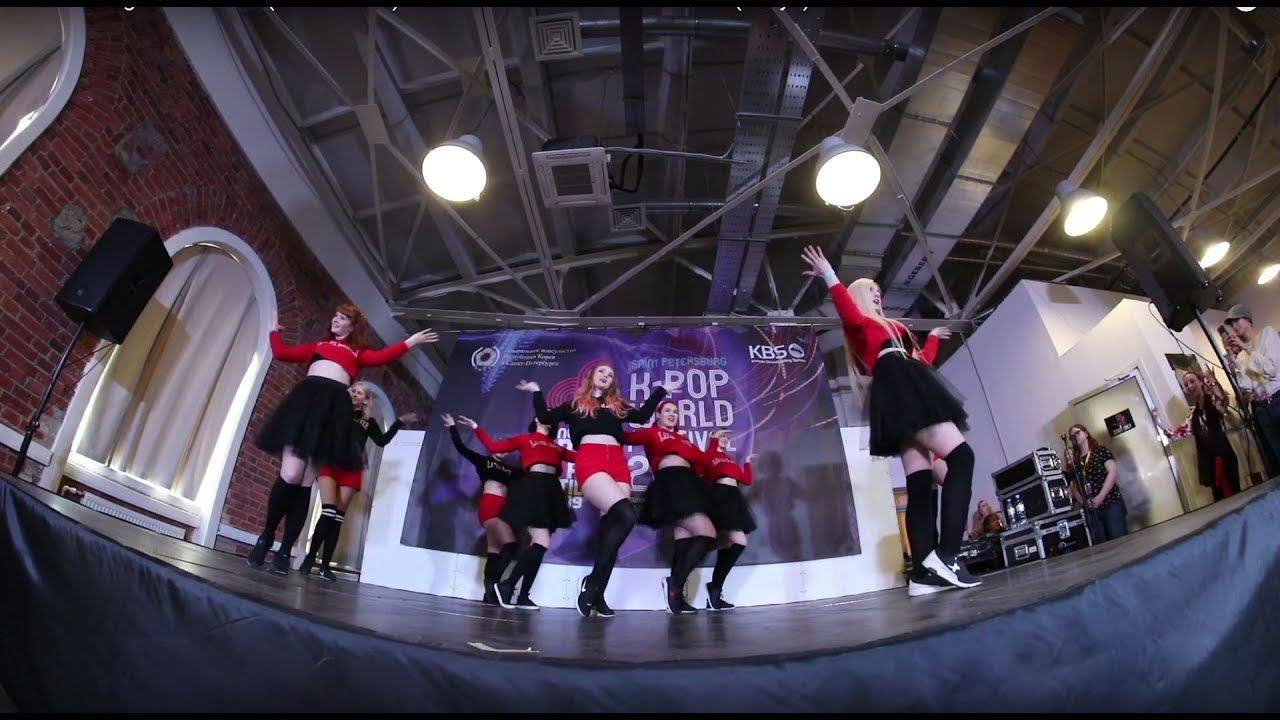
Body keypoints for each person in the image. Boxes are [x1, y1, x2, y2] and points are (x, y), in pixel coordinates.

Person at [799, 245, 978, 596]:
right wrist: (830, 275)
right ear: (859, 298)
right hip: (901, 390)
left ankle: (922, 574)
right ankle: (948, 555)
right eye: (871, 291)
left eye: (879, 291)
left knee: (920, 485)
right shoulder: (861, 325)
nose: (877, 295)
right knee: (962, 457)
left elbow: (920, 362)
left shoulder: (892, 328)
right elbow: (850, 316)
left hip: (903, 390)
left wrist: (931, 339)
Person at [248, 305, 437, 574]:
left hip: (332, 412)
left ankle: (285, 550)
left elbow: (383, 356)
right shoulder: (317, 346)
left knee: (305, 482)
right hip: (306, 405)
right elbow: (280, 353)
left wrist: (412, 341)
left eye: (343, 317)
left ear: (353, 326)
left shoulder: (358, 352)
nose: (336, 320)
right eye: (335, 316)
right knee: (290, 474)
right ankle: (266, 536)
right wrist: (273, 331)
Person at [521, 364, 680, 617]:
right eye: (601, 372)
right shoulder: (575, 404)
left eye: (610, 374)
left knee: (612, 531)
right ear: (592, 376)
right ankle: (592, 584)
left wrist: (660, 390)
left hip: (618, 462)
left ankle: (597, 593)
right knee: (626, 515)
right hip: (591, 458)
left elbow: (641, 417)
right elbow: (545, 416)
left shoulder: (617, 405)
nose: (605, 376)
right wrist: (537, 391)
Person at [300, 382, 416, 579]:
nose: (354, 394)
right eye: (353, 390)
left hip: (352, 469)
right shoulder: (336, 411)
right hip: (330, 463)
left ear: (365, 400)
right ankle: (309, 559)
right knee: (328, 511)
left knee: (337, 518)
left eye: (359, 393)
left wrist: (399, 422)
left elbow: (382, 441)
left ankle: (325, 566)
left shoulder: (368, 422)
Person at [462, 415, 577, 610]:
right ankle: (507, 586)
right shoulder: (525, 439)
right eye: (542, 413)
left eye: (550, 414)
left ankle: (522, 596)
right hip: (534, 487)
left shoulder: (557, 447)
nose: (546, 415)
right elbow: (493, 447)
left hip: (551, 491)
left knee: (540, 546)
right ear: (536, 420)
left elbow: (580, 457)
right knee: (541, 543)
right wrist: (476, 427)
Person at [624, 400, 716, 614]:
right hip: (670, 482)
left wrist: (714, 442)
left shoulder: (684, 439)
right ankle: (674, 583)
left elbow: (704, 460)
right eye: (667, 411)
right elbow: (625, 437)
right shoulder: (653, 433)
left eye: (675, 411)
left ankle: (677, 599)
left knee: (684, 540)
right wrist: (614, 414)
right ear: (658, 415)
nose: (672, 414)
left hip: (688, 484)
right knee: (707, 534)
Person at [443, 413, 522, 604]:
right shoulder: (483, 461)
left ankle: (489, 596)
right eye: (500, 447)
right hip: (490, 505)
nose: (502, 452)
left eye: (506, 450)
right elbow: (462, 448)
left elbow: (530, 473)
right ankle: (494, 585)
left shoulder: (511, 470)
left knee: (494, 552)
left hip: (504, 510)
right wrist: (453, 427)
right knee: (510, 545)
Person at [697, 429, 757, 611]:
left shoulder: (729, 459)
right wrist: (714, 439)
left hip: (733, 498)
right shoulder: (710, 455)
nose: (724, 439)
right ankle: (711, 588)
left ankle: (715, 590)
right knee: (734, 542)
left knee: (730, 544)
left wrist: (747, 462)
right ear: (713, 439)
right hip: (719, 497)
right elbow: (704, 466)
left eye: (726, 437)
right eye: (721, 436)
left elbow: (746, 480)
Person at [1159, 370, 1240, 501]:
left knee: (1234, 495)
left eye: (1192, 381)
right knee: (1221, 500)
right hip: (1210, 463)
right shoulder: (1194, 414)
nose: (1189, 386)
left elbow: (1225, 409)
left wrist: (1213, 383)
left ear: (1201, 382)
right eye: (1186, 385)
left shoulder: (1212, 401)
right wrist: (1158, 421)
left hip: (1224, 457)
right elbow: (1178, 434)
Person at [1223, 304, 1280, 472]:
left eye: (1237, 320)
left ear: (1248, 319)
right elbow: (1247, 386)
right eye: (1231, 323)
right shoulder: (1242, 355)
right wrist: (1232, 358)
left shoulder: (1267, 334)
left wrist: (1246, 348)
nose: (1234, 326)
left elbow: (1271, 369)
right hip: (1261, 406)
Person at [1063, 424, 1127, 543]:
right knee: (1102, 547)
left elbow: (1112, 472)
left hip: (1110, 503)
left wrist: (1100, 497)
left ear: (1086, 433)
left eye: (1077, 433)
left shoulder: (1100, 451)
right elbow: (1074, 487)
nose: (1075, 437)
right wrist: (1084, 503)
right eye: (1072, 436)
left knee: (1119, 542)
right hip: (1092, 512)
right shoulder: (1076, 461)